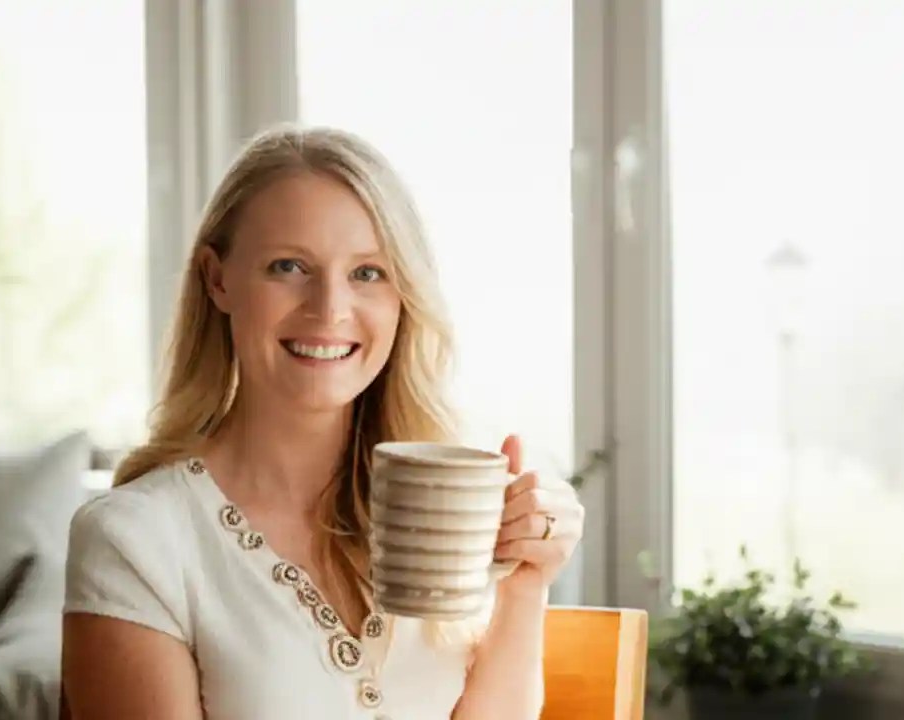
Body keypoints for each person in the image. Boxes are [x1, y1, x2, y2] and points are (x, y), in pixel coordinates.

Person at [61, 125, 585, 719]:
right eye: (288, 266)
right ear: (217, 279)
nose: (330, 309)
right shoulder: (136, 540)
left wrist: (525, 583)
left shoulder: (442, 523)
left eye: (367, 273)